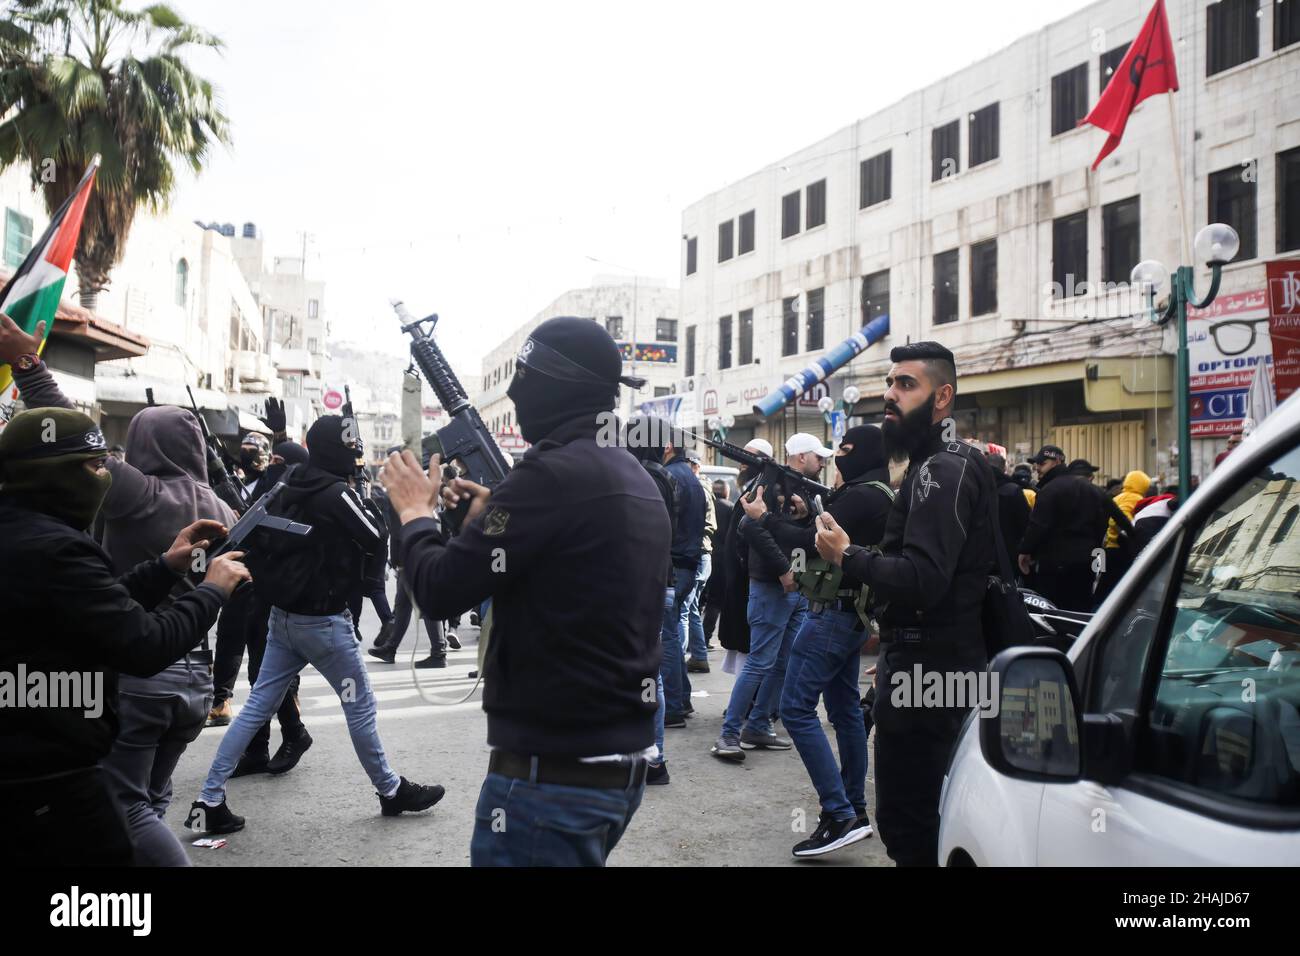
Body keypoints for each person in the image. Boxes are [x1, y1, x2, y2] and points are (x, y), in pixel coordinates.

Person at [382, 316, 670, 867]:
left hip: (551, 779)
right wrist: (491, 515)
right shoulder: (630, 475)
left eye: (526, 377)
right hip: (612, 767)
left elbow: (440, 591)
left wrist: (415, 512)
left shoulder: (550, 476)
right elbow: (567, 559)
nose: (514, 391)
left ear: (559, 388)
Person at [0, 403, 248, 866]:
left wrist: (162, 569)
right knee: (137, 810)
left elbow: (98, 602)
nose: (105, 475)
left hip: (56, 747)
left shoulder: (39, 536)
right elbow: (141, 643)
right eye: (95, 465)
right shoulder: (58, 547)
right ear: (54, 474)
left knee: (136, 808)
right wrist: (211, 589)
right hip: (44, 766)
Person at [186, 415, 444, 835]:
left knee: (256, 707)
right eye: (352, 447)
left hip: (284, 618)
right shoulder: (337, 493)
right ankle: (391, 790)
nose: (356, 454)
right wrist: (363, 495)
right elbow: (376, 535)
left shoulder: (291, 482)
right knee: (360, 708)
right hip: (324, 624)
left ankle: (209, 797)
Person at [814, 342, 994, 867]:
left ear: (942, 397)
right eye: (890, 383)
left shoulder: (943, 469)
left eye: (905, 385)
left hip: (930, 670)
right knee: (926, 819)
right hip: (934, 663)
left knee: (908, 822)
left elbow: (923, 579)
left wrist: (847, 556)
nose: (890, 395)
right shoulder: (945, 463)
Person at [764, 425, 893, 857]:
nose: (839, 458)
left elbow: (810, 543)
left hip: (832, 616)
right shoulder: (871, 492)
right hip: (846, 615)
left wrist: (764, 518)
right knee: (845, 713)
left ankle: (839, 812)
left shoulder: (863, 495)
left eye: (845, 451)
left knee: (796, 709)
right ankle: (851, 812)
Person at [711, 433, 828, 761]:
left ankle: (758, 725)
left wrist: (805, 516)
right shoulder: (770, 484)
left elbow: (793, 534)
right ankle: (729, 734)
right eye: (818, 456)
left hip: (794, 588)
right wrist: (782, 570)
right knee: (761, 662)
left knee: (783, 662)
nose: (823, 462)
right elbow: (752, 529)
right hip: (772, 587)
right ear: (801, 457)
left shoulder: (796, 486)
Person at [626, 416, 678, 786]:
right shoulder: (664, 476)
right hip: (659, 581)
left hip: (644, 585)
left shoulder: (643, 475)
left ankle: (652, 759)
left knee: (647, 673)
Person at [1016, 445, 1107, 613]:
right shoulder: (1091, 489)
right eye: (1036, 464)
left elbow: (1037, 525)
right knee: (1080, 612)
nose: (1036, 468)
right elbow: (1101, 525)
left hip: (1054, 565)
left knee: (1052, 614)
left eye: (1042, 463)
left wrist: (1024, 550)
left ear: (1057, 461)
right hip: (1085, 564)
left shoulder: (1049, 490)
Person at [661, 434, 707, 727]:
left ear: (667, 447)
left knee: (666, 637)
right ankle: (682, 699)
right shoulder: (690, 478)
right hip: (687, 565)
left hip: (675, 566)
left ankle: (674, 707)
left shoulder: (668, 477)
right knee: (673, 635)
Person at [1096, 467, 1150, 603]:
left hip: (1108, 546)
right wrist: (1132, 534)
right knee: (1117, 587)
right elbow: (1119, 518)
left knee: (1104, 584)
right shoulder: (1134, 498)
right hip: (1120, 549)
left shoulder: (1119, 496)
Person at [684, 451, 716, 673]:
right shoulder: (703, 487)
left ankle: (680, 658)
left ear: (693, 465)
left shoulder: (698, 489)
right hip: (703, 554)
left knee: (683, 610)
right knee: (692, 607)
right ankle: (699, 655)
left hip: (698, 553)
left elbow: (705, 525)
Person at [988, 453, 1030, 575]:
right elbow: (1025, 524)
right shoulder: (1013, 490)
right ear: (1004, 469)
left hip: (978, 557)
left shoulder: (975, 487)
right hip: (1009, 556)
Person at [703, 479, 733, 644]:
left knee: (698, 602)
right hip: (721, 560)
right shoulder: (730, 507)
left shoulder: (708, 506)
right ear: (726, 491)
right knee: (715, 601)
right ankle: (705, 638)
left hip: (704, 555)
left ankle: (696, 639)